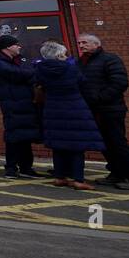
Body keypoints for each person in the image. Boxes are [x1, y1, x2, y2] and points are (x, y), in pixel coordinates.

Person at [34, 39, 102, 191]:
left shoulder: (40, 69)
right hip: (74, 108)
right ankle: (78, 179)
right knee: (77, 146)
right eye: (63, 53)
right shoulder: (71, 68)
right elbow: (82, 83)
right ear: (58, 55)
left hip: (52, 109)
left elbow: (39, 85)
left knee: (58, 146)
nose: (65, 56)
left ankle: (60, 177)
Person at [77, 33, 129, 190]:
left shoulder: (110, 59)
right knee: (104, 144)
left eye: (84, 42)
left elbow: (119, 83)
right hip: (93, 110)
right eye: (79, 43)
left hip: (111, 110)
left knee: (117, 142)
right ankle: (116, 173)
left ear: (96, 44)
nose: (81, 46)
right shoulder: (82, 62)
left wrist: (99, 98)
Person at [0, 34, 43, 179]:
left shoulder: (17, 60)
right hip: (12, 103)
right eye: (16, 44)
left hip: (25, 103)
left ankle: (26, 167)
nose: (19, 46)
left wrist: (29, 73)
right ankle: (11, 168)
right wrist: (30, 73)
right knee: (13, 137)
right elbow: (18, 74)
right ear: (7, 47)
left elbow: (28, 71)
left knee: (25, 137)